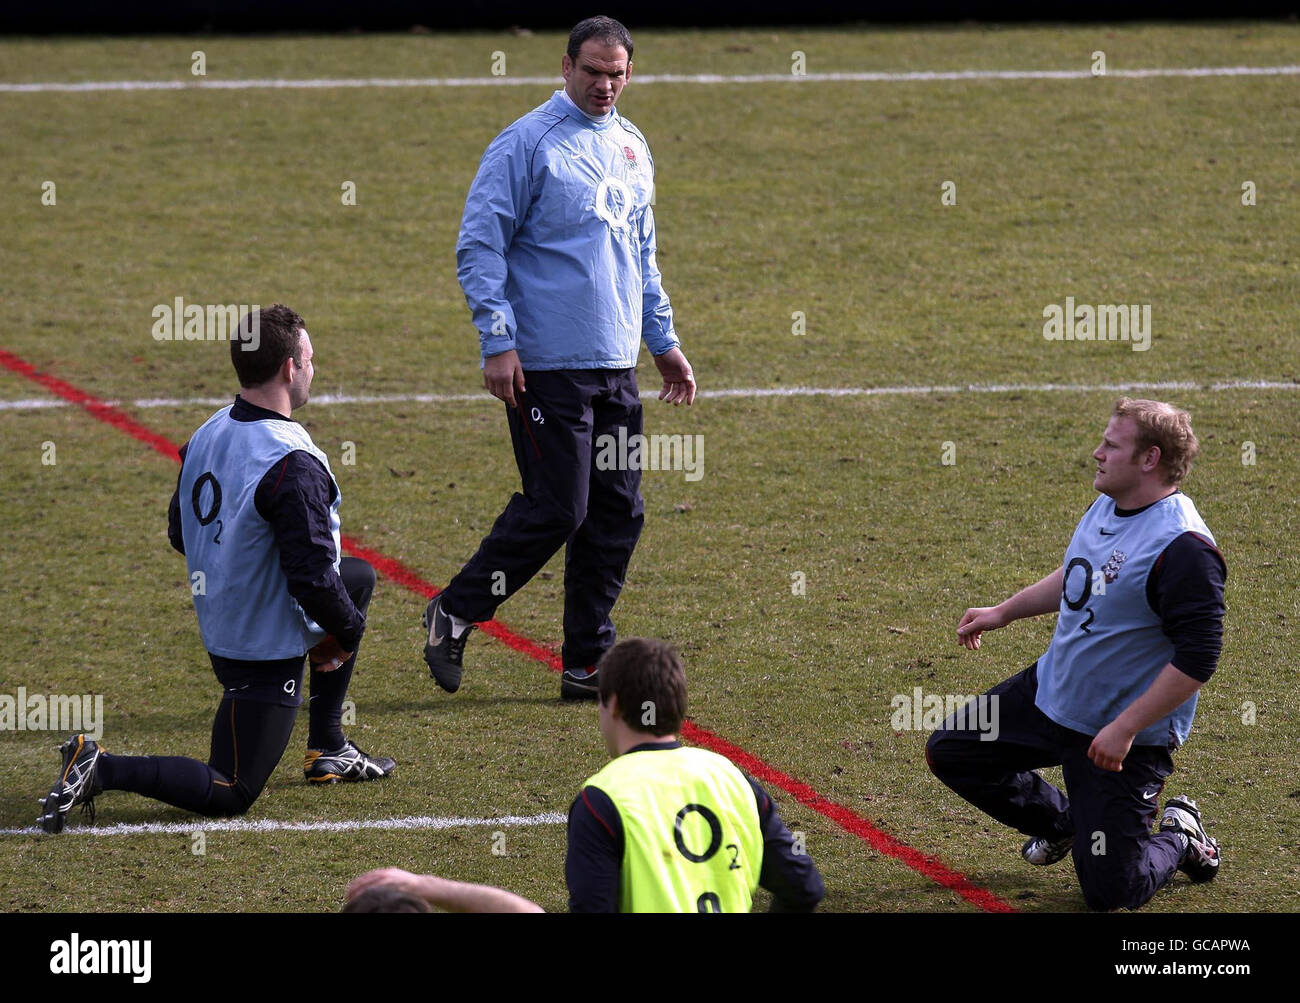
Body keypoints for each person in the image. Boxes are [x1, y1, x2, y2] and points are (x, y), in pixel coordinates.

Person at [38, 305, 393, 833]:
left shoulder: (206, 433)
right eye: (311, 359)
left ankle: (328, 747)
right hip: (258, 648)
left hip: (225, 618)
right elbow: (312, 578)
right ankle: (100, 767)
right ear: (290, 369)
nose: (315, 370)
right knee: (232, 789)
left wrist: (241, 558)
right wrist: (345, 635)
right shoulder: (292, 462)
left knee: (356, 577)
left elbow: (181, 533)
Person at [424, 15, 696, 701]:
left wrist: (661, 342)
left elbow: (642, 255)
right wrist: (498, 340)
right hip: (545, 364)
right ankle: (455, 609)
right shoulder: (525, 144)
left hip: (614, 364)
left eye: (617, 74)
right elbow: (479, 246)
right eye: (593, 71)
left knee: (617, 510)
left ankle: (584, 661)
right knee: (558, 507)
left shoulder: (633, 146)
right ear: (565, 67)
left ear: (630, 74)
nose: (605, 85)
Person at [926, 398, 1226, 910]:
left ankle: (1180, 836)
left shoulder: (1184, 549)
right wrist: (1005, 611)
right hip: (1051, 693)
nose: (1097, 452)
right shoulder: (1112, 503)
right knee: (954, 750)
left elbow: (1199, 659)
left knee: (1112, 894)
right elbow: (1081, 575)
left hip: (1116, 736)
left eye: (1111, 445)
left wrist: (1126, 728)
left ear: (1149, 459)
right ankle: (1067, 824)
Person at [349, 638, 825, 913]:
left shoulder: (604, 799)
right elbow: (805, 889)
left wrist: (421, 887)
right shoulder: (734, 779)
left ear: (613, 703)